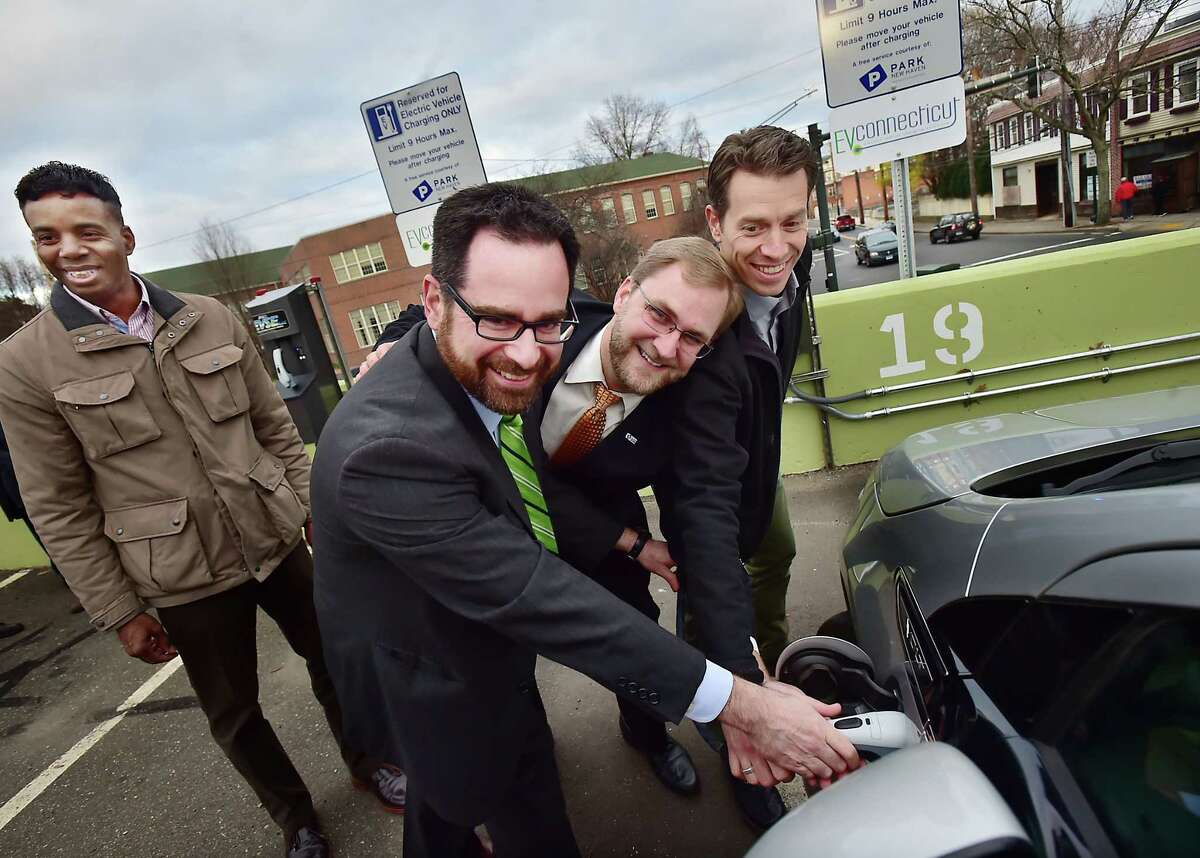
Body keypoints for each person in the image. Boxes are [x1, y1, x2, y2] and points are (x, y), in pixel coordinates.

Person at [312, 182, 860, 858]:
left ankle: (634, 739)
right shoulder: (387, 448)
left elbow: (706, 526)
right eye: (496, 320)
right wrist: (739, 705)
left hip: (574, 556)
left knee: (504, 774)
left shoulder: (656, 392)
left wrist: (740, 670)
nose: (524, 351)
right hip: (436, 656)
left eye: (547, 324)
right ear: (623, 295)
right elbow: (526, 591)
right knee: (464, 780)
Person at [0, 162, 404, 858]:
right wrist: (120, 611)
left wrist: (312, 509)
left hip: (276, 539)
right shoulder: (26, 362)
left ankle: (373, 762)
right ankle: (295, 817)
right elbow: (57, 505)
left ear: (124, 234)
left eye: (86, 231)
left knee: (341, 659)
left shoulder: (208, 316)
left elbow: (274, 424)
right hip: (181, 572)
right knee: (236, 712)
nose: (68, 250)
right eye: (46, 238)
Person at [361, 237, 753, 799]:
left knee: (637, 640)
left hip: (601, 540)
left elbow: (708, 517)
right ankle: (523, 753)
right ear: (623, 294)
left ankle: (647, 735)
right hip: (494, 524)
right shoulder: (546, 323)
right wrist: (393, 345)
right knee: (499, 660)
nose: (667, 347)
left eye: (693, 337)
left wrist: (745, 690)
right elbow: (437, 310)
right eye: (659, 314)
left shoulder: (685, 411)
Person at [657, 125, 820, 828]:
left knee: (776, 552)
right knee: (710, 609)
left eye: (793, 222)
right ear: (715, 222)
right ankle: (735, 730)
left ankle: (772, 656)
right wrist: (747, 695)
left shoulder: (788, 270)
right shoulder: (704, 344)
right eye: (754, 227)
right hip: (707, 488)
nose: (777, 248)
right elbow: (704, 515)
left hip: (758, 466)